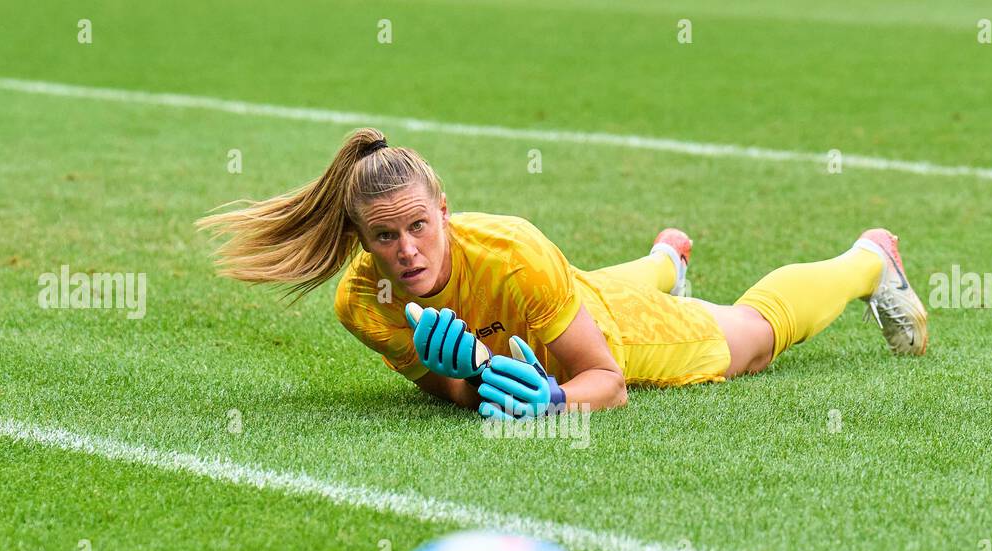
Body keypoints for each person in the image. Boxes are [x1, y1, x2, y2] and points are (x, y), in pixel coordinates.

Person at [197, 127, 928, 420]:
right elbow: (453, 393)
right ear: (361, 239)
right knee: (569, 294)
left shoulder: (510, 252)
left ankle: (867, 258)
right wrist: (464, 375)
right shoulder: (364, 305)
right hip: (552, 307)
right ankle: (664, 262)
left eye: (419, 225)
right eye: (383, 236)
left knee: (752, 339)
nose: (407, 249)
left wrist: (552, 405)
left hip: (597, 327)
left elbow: (604, 381)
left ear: (444, 211)